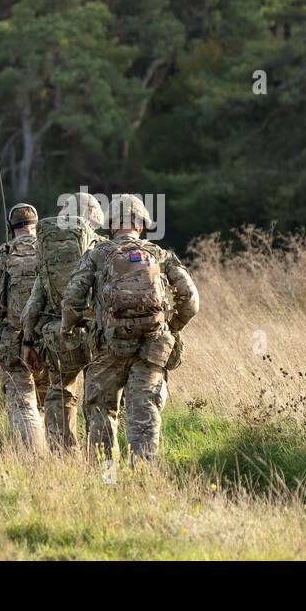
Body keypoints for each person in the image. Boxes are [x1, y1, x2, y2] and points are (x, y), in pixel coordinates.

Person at [61, 194, 198, 466]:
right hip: (152, 347)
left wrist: (70, 327)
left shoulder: (97, 254)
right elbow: (191, 300)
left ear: (111, 224)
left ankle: (106, 477)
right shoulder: (160, 254)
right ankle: (143, 477)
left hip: (108, 348)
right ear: (142, 225)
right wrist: (170, 327)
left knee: (100, 411)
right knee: (144, 412)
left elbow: (72, 300)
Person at [20, 192, 105, 451]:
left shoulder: (47, 252)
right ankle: (100, 462)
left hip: (59, 335)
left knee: (60, 391)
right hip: (94, 333)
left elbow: (33, 304)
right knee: (98, 397)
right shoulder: (101, 248)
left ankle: (63, 458)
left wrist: (27, 341)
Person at [0, 203, 46, 451]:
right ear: (36, 226)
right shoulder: (49, 252)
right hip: (49, 339)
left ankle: (34, 455)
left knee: (22, 403)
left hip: (13, 341)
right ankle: (62, 456)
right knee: (54, 399)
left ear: (12, 228)